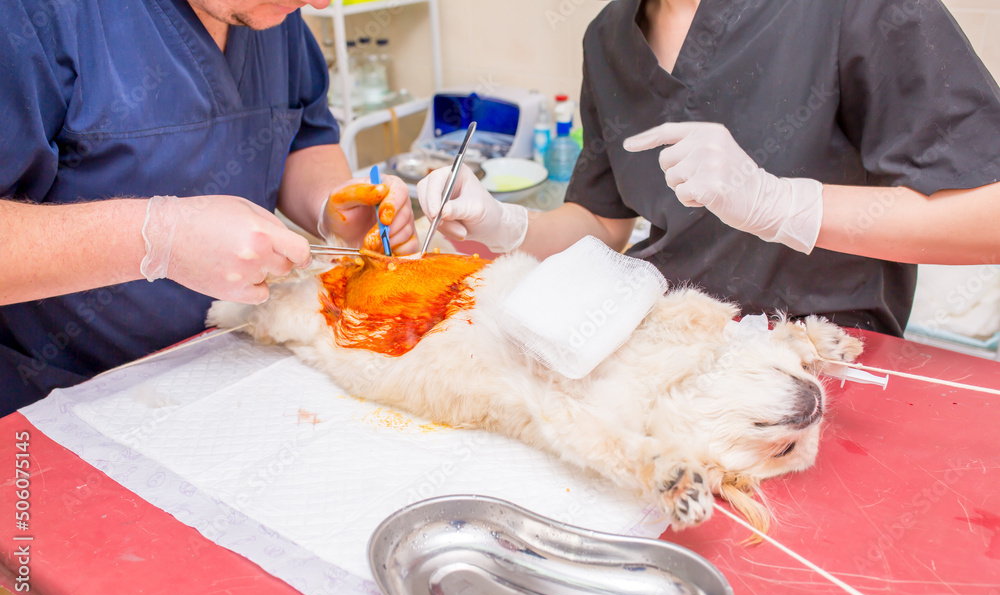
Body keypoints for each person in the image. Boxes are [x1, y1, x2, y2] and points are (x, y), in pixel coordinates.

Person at [418, 0, 1000, 339]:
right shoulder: (609, 36)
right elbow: (602, 222)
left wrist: (780, 204)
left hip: (819, 358)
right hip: (664, 345)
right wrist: (504, 224)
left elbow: (989, 218)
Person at [0, 0, 417, 416]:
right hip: (68, 392)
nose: (320, 3)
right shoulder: (42, 16)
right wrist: (161, 238)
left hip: (231, 361)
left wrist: (333, 206)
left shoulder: (276, 12)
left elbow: (303, 136)